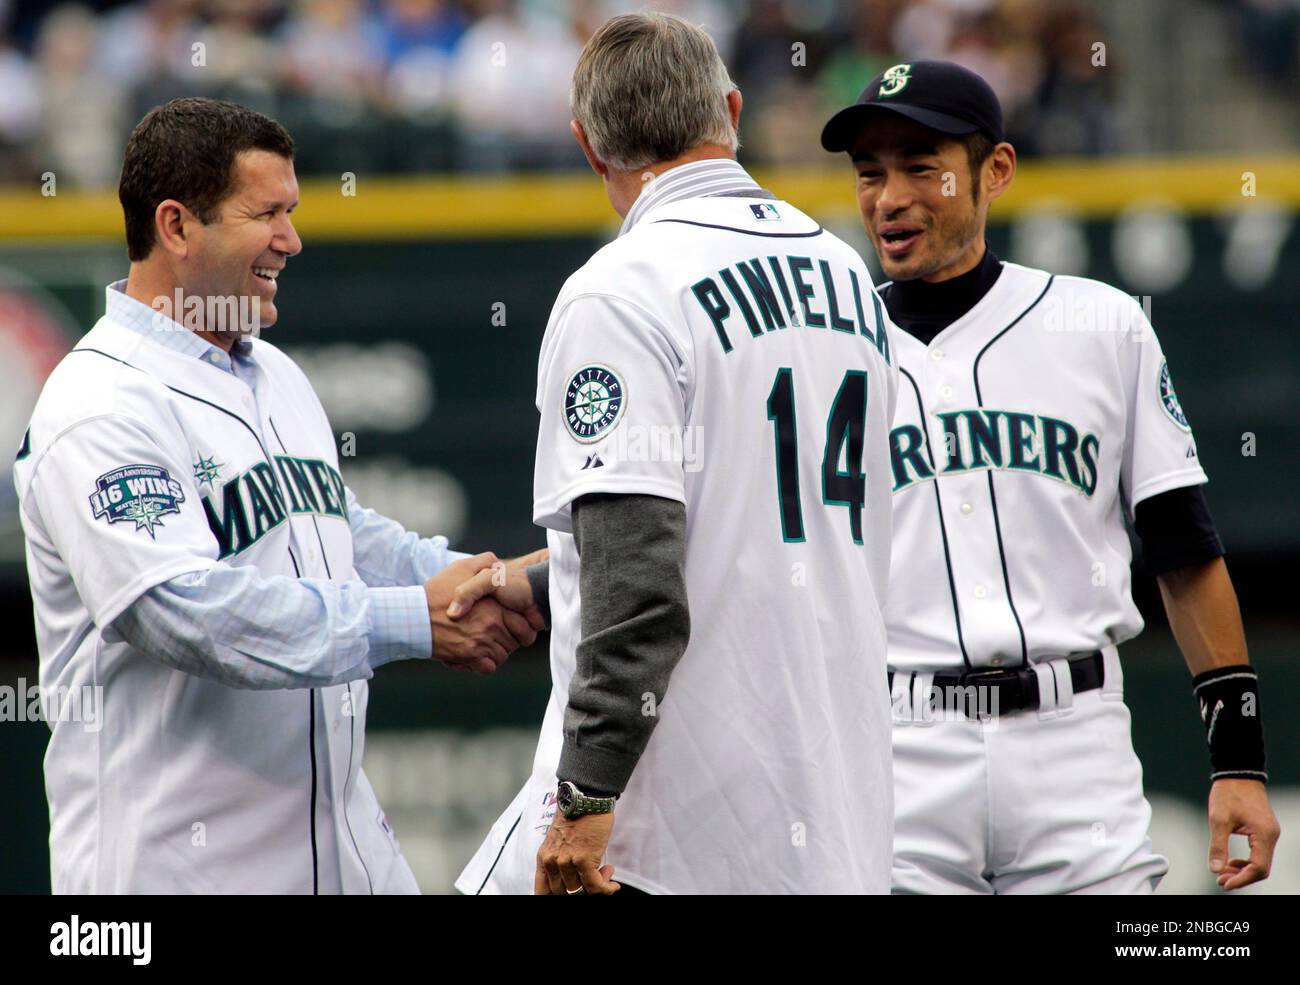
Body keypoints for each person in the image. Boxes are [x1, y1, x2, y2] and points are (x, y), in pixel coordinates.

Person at [14, 97, 544, 894]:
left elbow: (341, 534)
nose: (291, 240)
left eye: (291, 212)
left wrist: (487, 577)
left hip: (342, 855)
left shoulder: (274, 371)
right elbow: (185, 610)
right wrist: (414, 621)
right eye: (266, 213)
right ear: (176, 226)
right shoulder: (98, 400)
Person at [454, 11, 898, 895]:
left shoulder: (621, 290)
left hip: (676, 825)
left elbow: (642, 579)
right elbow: (755, 520)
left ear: (588, 147)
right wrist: (541, 576)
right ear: (731, 108)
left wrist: (584, 796)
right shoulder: (848, 271)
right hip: (837, 808)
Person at [820, 60, 1280, 893]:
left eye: (921, 166)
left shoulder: (1099, 323)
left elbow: (1183, 548)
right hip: (897, 747)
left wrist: (1238, 760)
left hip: (1075, 744)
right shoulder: (821, 352)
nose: (888, 197)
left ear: (994, 170)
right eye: (870, 172)